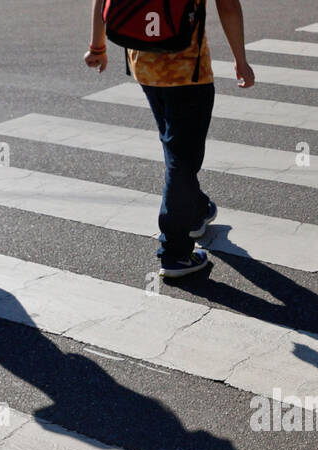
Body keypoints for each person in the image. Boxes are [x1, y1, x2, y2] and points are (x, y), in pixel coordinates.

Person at [84, 0, 254, 280]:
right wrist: (240, 59)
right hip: (187, 72)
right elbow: (228, 5)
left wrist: (97, 46)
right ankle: (174, 252)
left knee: (177, 147)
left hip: (144, 64)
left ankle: (196, 211)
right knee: (182, 159)